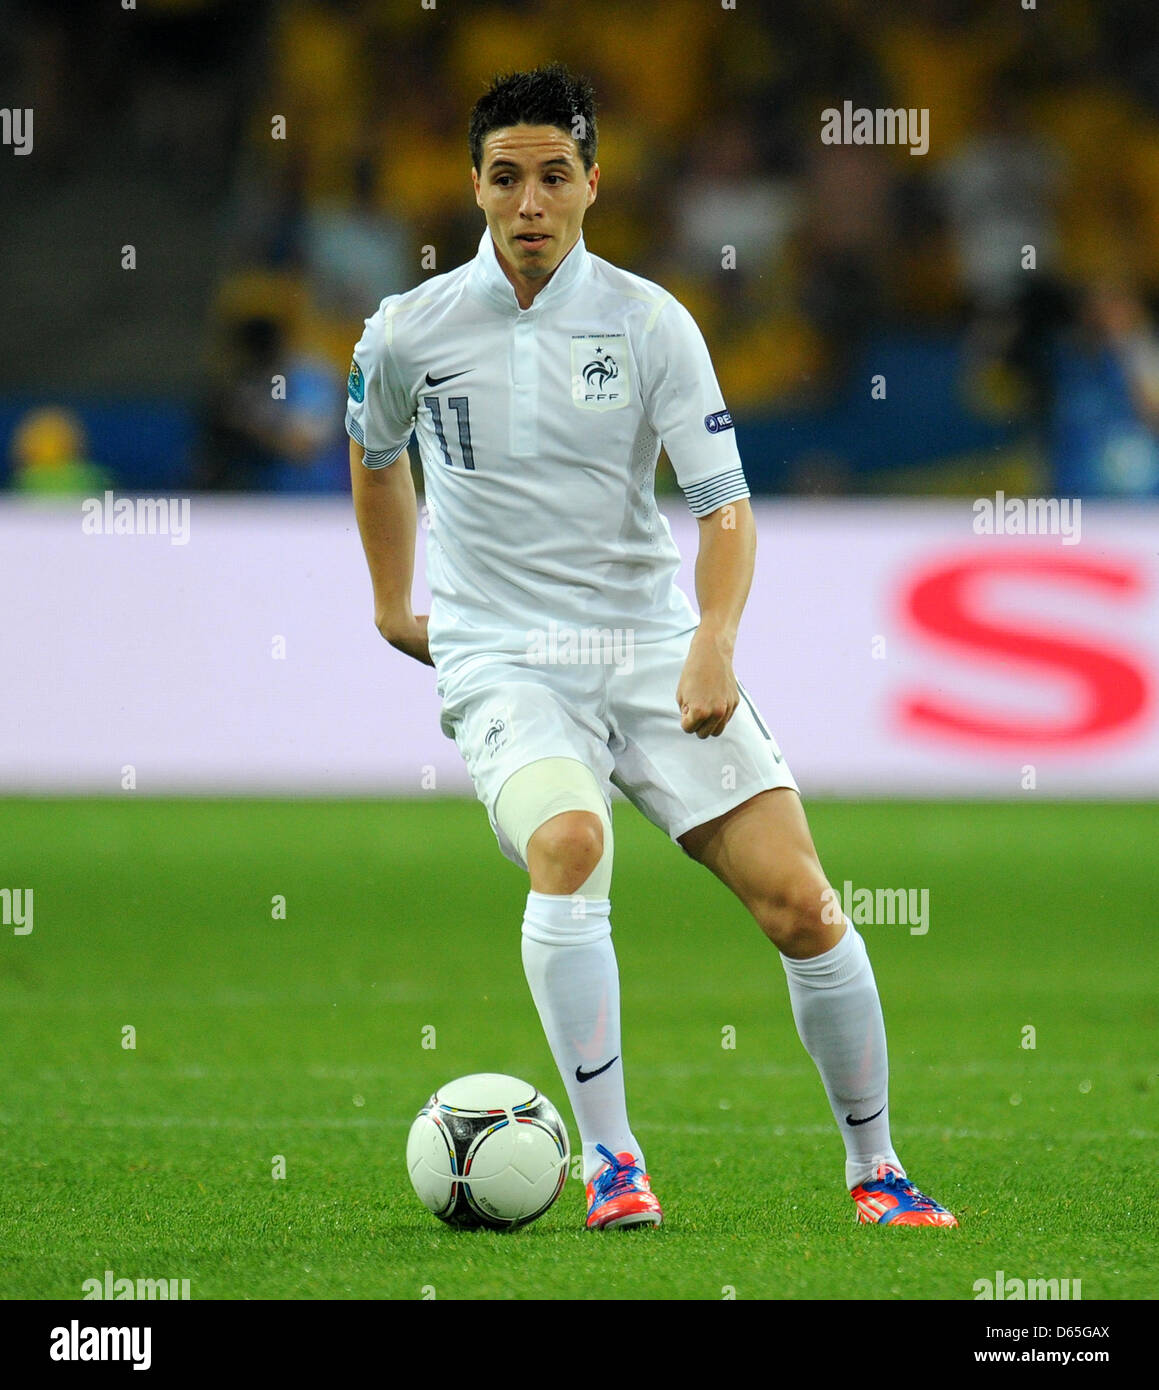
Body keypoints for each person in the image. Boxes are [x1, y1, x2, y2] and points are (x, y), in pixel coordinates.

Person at [347, 63, 957, 1230]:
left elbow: (725, 508)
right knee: (568, 845)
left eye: (554, 176)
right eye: (506, 177)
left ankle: (875, 1166)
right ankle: (611, 1159)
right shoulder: (407, 333)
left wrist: (713, 643)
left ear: (591, 183)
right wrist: (391, 602)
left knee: (803, 907)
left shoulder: (648, 322)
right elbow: (377, 461)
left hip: (649, 644)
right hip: (504, 657)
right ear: (473, 185)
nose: (530, 202)